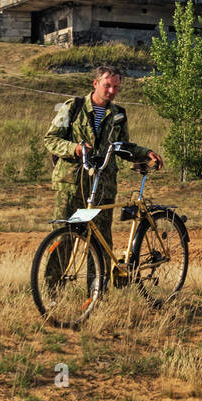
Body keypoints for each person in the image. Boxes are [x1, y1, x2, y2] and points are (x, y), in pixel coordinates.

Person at [43, 66, 162, 268]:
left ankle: (98, 293)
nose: (112, 92)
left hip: (102, 188)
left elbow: (123, 147)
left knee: (100, 242)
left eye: (116, 87)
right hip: (72, 185)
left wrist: (145, 153)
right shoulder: (71, 107)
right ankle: (52, 294)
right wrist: (75, 148)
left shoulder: (119, 115)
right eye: (108, 86)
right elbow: (51, 139)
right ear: (95, 83)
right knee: (63, 238)